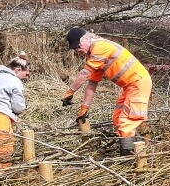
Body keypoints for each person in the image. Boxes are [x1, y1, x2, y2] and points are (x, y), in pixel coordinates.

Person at [62, 27, 153, 156]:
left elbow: (84, 74)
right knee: (118, 117)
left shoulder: (100, 47)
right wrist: (84, 108)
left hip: (138, 83)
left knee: (126, 121)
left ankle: (128, 156)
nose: (78, 50)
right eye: (75, 48)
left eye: (78, 46)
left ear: (87, 38)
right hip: (129, 86)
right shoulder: (94, 56)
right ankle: (134, 147)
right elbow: (92, 83)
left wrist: (70, 92)